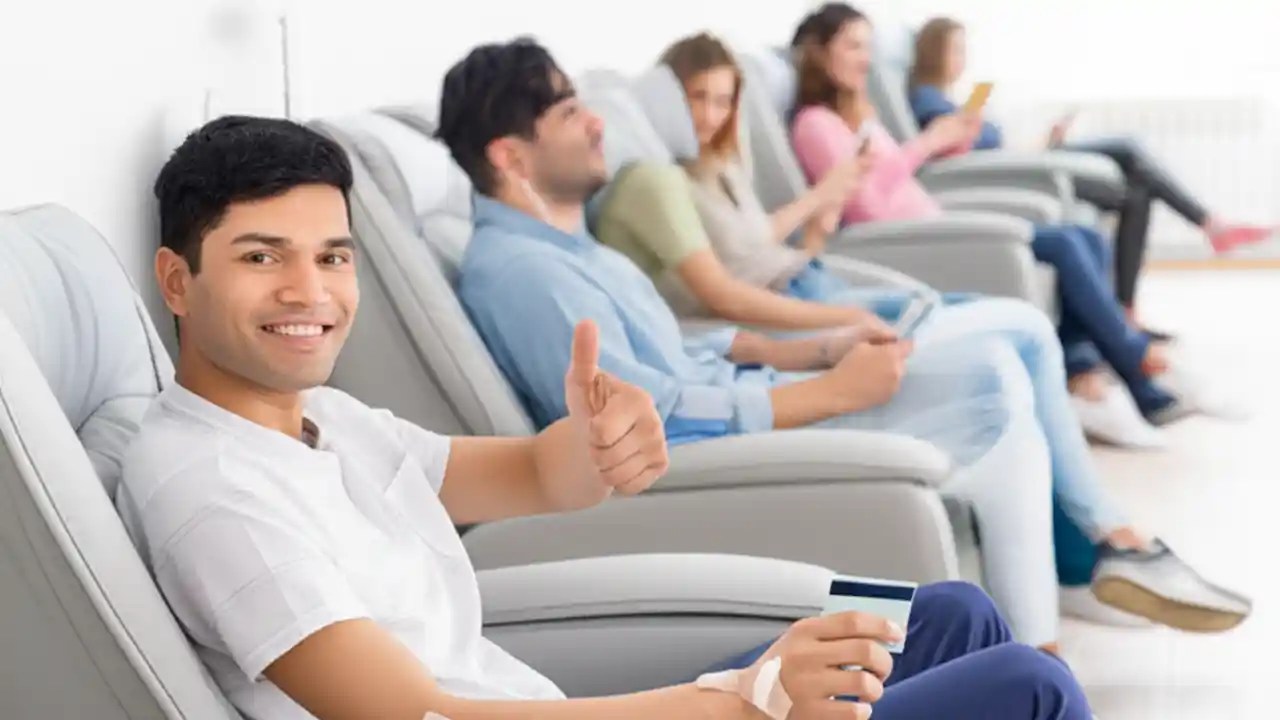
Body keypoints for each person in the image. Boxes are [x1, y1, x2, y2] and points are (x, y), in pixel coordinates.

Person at [115, 114, 1093, 720]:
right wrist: (741, 705)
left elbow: (532, 477)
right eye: (260, 256)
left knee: (943, 614)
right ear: (177, 280)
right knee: (1030, 692)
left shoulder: (323, 418)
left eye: (331, 255)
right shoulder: (214, 496)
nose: (309, 289)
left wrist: (592, 448)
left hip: (550, 706)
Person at [438, 37, 1252, 652]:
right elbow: (652, 423)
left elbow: (685, 349)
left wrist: (809, 353)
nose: (596, 121)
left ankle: (1065, 601)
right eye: (567, 110)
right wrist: (832, 395)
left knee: (999, 365)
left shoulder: (575, 249)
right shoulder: (520, 275)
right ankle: (1062, 611)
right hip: (698, 466)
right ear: (511, 156)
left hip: (755, 398)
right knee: (992, 375)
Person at [788, 3, 1200, 434]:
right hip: (910, 241)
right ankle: (1139, 370)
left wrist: (944, 143)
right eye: (853, 46)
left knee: (1086, 237)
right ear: (819, 52)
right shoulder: (815, 125)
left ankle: (1089, 373)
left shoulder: (859, 118)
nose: (865, 59)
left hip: (937, 223)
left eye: (868, 47)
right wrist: (926, 143)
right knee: (1065, 243)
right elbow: (865, 208)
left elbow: (897, 179)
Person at [907, 16, 1274, 313]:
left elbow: (985, 142)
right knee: (1129, 155)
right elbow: (958, 148)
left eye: (963, 50)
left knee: (1138, 185)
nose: (962, 59)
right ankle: (1207, 227)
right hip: (1011, 172)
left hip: (1022, 159)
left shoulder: (954, 101)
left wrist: (1043, 141)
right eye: (954, 50)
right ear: (931, 54)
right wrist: (973, 129)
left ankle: (1131, 306)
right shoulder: (929, 100)